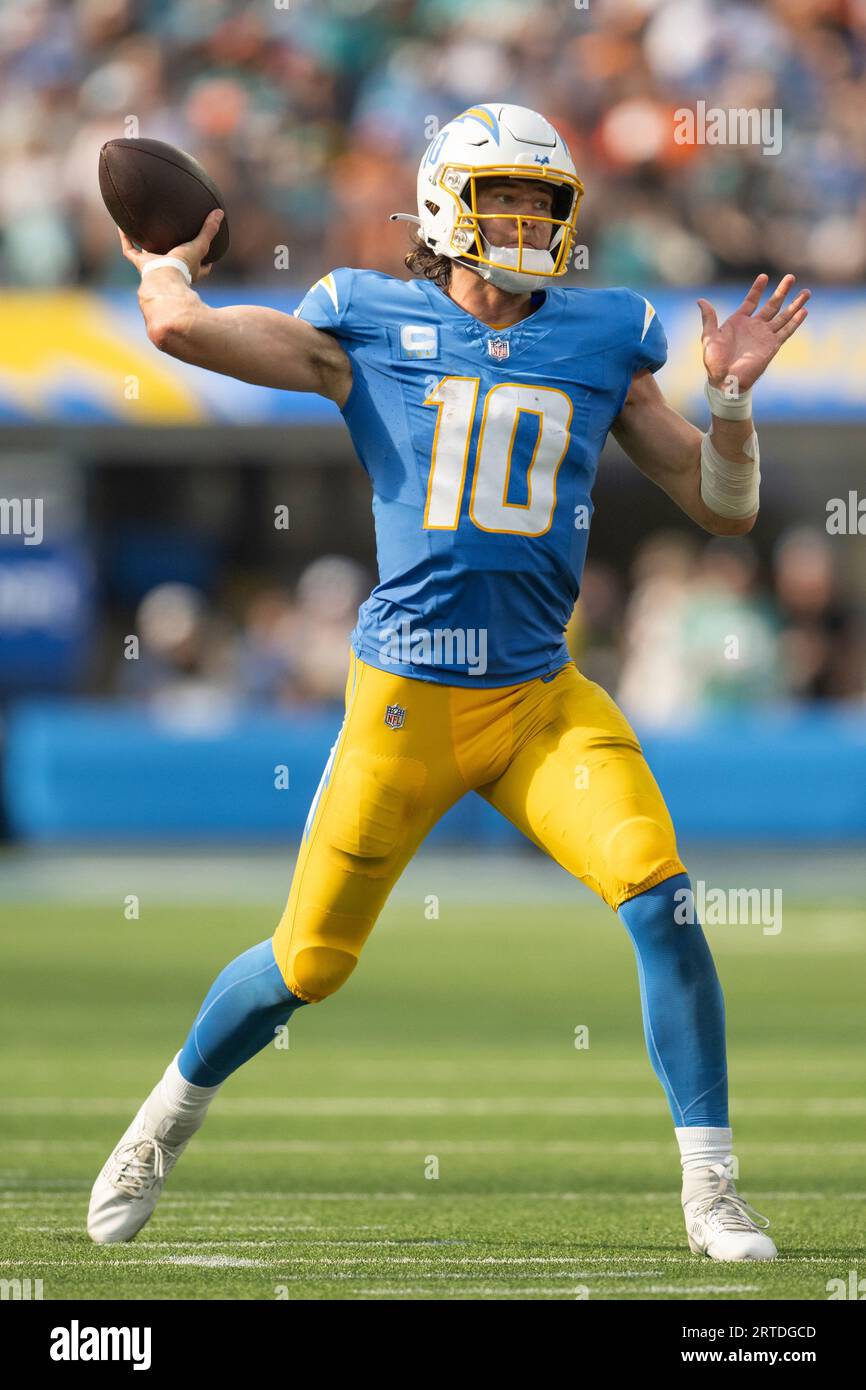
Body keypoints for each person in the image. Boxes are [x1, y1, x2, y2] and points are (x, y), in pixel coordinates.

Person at [88, 103, 809, 1260]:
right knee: (304, 967)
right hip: (403, 702)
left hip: (537, 698)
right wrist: (163, 265)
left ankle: (711, 1191)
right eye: (503, 197)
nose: (525, 219)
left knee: (662, 898)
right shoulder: (362, 319)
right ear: (442, 206)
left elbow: (723, 510)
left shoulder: (603, 334)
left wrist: (728, 406)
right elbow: (183, 334)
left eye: (541, 201)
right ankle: (158, 1125)